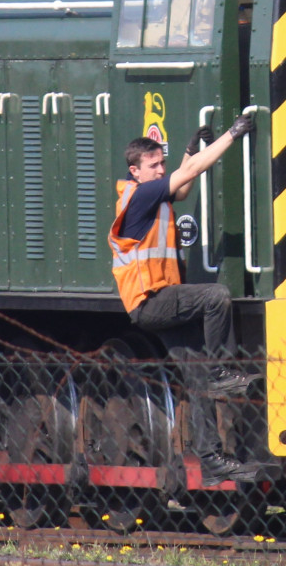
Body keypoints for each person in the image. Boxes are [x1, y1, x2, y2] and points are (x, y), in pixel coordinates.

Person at [109, 108, 260, 483]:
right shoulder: (140, 197)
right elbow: (188, 178)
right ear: (136, 171)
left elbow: (183, 184)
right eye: (154, 165)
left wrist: (189, 152)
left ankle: (210, 461)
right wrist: (232, 134)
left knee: (195, 382)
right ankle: (221, 370)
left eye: (162, 164)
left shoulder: (152, 195)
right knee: (216, 296)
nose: (161, 171)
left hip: (158, 302)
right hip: (151, 302)